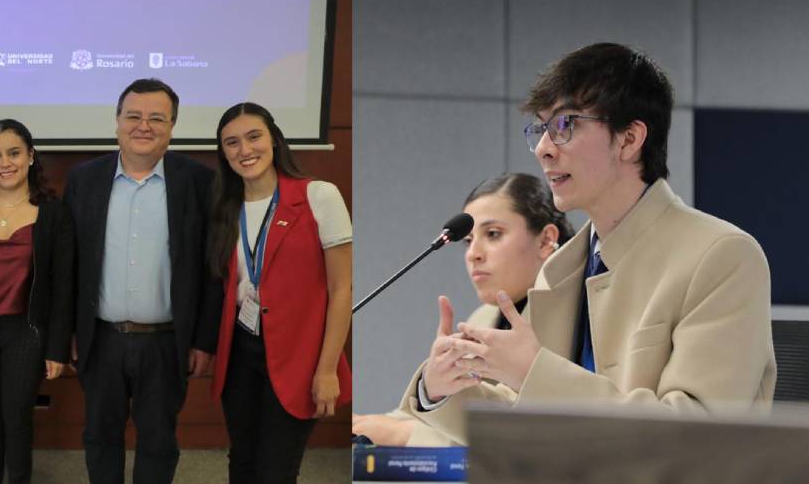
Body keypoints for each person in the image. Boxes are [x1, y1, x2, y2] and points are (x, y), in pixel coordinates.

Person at [398, 42, 776, 444]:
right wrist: (439, 390)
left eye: (565, 125)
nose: (543, 149)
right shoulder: (562, 268)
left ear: (629, 139)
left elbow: (700, 434)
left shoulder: (722, 255)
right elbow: (530, 417)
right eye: (540, 129)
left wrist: (534, 372)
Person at [64, 78, 219, 484]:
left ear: (172, 126)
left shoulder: (199, 182)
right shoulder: (84, 180)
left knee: (158, 441)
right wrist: (69, 330)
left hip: (166, 342)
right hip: (101, 339)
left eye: (157, 118)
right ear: (117, 121)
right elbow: (69, 264)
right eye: (133, 116)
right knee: (100, 437)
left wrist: (203, 340)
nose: (144, 126)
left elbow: (212, 268)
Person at [351, 173, 573, 447]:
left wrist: (403, 435)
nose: (473, 253)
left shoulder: (576, 317)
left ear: (545, 240)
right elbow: (465, 414)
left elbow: (536, 431)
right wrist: (372, 423)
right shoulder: (484, 317)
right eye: (468, 241)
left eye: (493, 234)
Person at [205, 102, 353, 483]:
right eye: (232, 143)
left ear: (274, 140)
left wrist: (326, 369)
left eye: (253, 137)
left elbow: (341, 290)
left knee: (276, 471)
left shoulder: (319, 196)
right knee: (242, 462)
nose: (244, 150)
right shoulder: (224, 207)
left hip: (299, 355)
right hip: (240, 353)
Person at [0, 119, 74, 484]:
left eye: (13, 153)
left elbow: (64, 286)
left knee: (17, 416)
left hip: (26, 332)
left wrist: (57, 348)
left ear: (31, 156)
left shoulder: (53, 213)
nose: (5, 163)